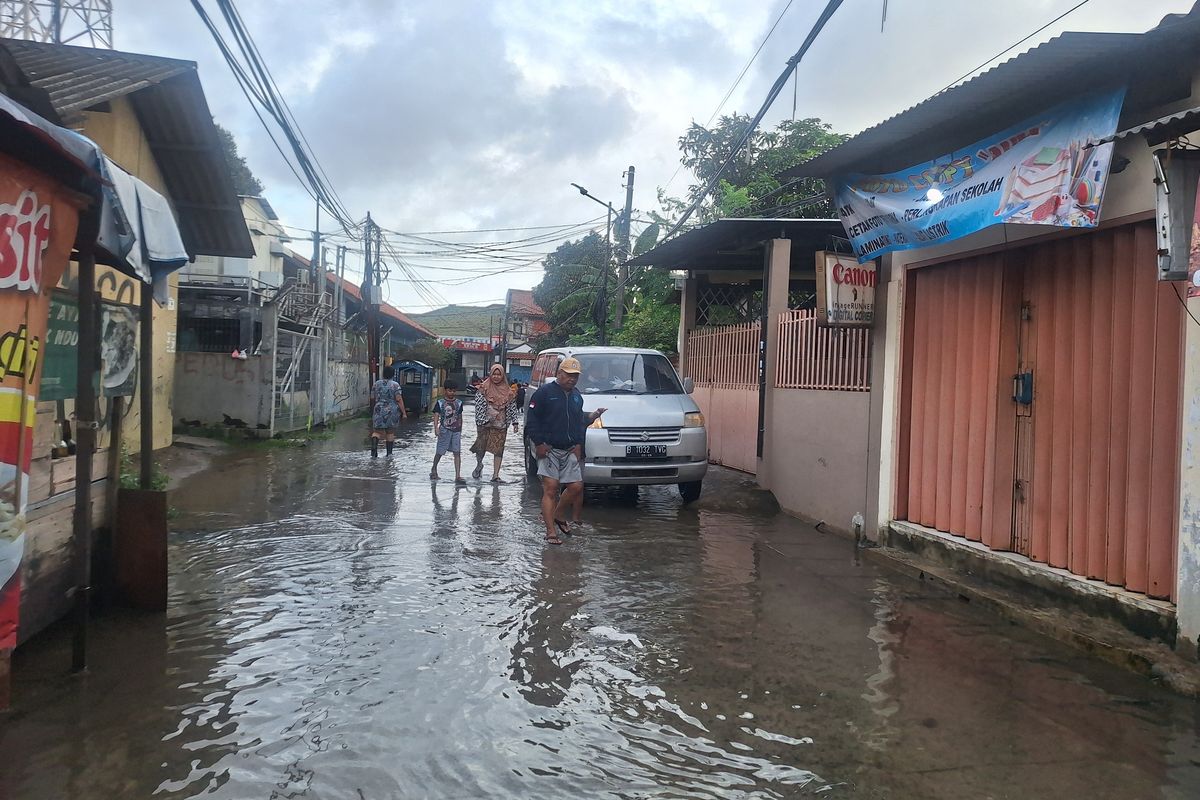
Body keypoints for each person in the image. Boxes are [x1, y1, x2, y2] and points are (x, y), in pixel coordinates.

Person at [525, 357, 606, 545]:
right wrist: (539, 444)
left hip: (568, 449)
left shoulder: (577, 396)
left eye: (575, 376)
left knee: (576, 487)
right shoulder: (544, 393)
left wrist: (591, 418)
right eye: (569, 375)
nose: (572, 379)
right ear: (559, 373)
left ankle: (559, 514)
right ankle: (550, 532)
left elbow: (577, 421)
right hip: (549, 449)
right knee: (551, 489)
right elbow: (532, 421)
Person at [470, 364, 520, 482]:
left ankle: (495, 475)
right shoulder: (483, 388)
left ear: (502, 376)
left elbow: (512, 407)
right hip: (484, 424)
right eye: (494, 374)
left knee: (499, 449)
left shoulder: (509, 391)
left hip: (501, 424)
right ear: (490, 374)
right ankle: (479, 465)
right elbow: (479, 407)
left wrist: (515, 422)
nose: (496, 377)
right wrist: (482, 421)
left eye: (499, 374)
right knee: (481, 447)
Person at [431, 380, 466, 484]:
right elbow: (436, 416)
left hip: (456, 430)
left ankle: (458, 476)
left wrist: (460, 429)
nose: (452, 393)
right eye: (450, 391)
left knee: (457, 452)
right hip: (444, 430)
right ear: (445, 390)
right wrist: (436, 428)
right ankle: (434, 469)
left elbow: (460, 417)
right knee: (440, 451)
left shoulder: (459, 403)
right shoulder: (440, 403)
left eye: (454, 391)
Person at [370, 365, 407, 457]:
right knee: (390, 432)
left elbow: (372, 397)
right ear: (392, 374)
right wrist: (404, 413)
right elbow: (398, 399)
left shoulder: (376, 384)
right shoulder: (395, 385)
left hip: (378, 408)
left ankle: (374, 450)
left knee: (377, 431)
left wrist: (374, 409)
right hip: (392, 410)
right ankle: (389, 454)